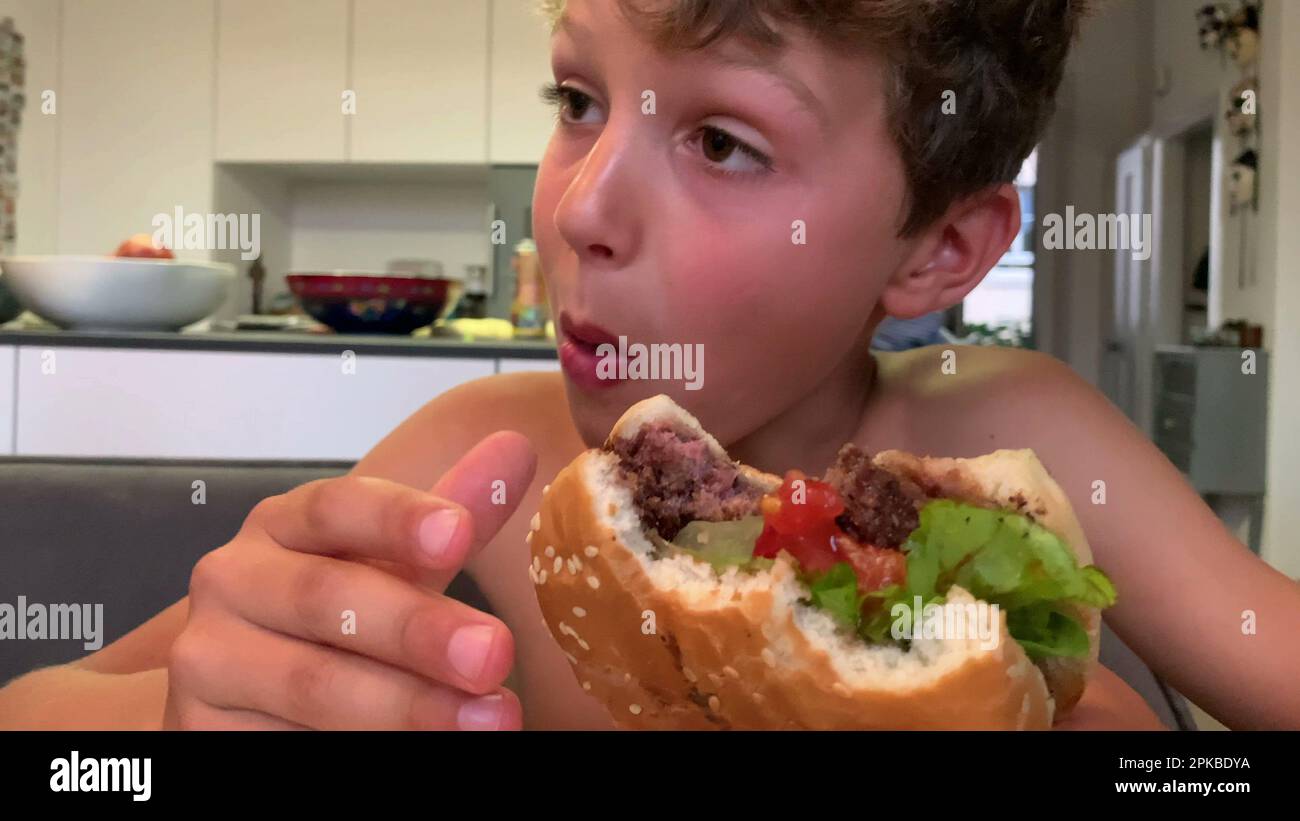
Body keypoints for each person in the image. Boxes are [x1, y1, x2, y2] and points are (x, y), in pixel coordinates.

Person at [4, 0, 1297, 731]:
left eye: (725, 142)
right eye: (577, 101)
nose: (575, 210)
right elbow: (47, 718)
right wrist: (175, 720)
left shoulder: (1018, 431)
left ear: (939, 248)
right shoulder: (477, 470)